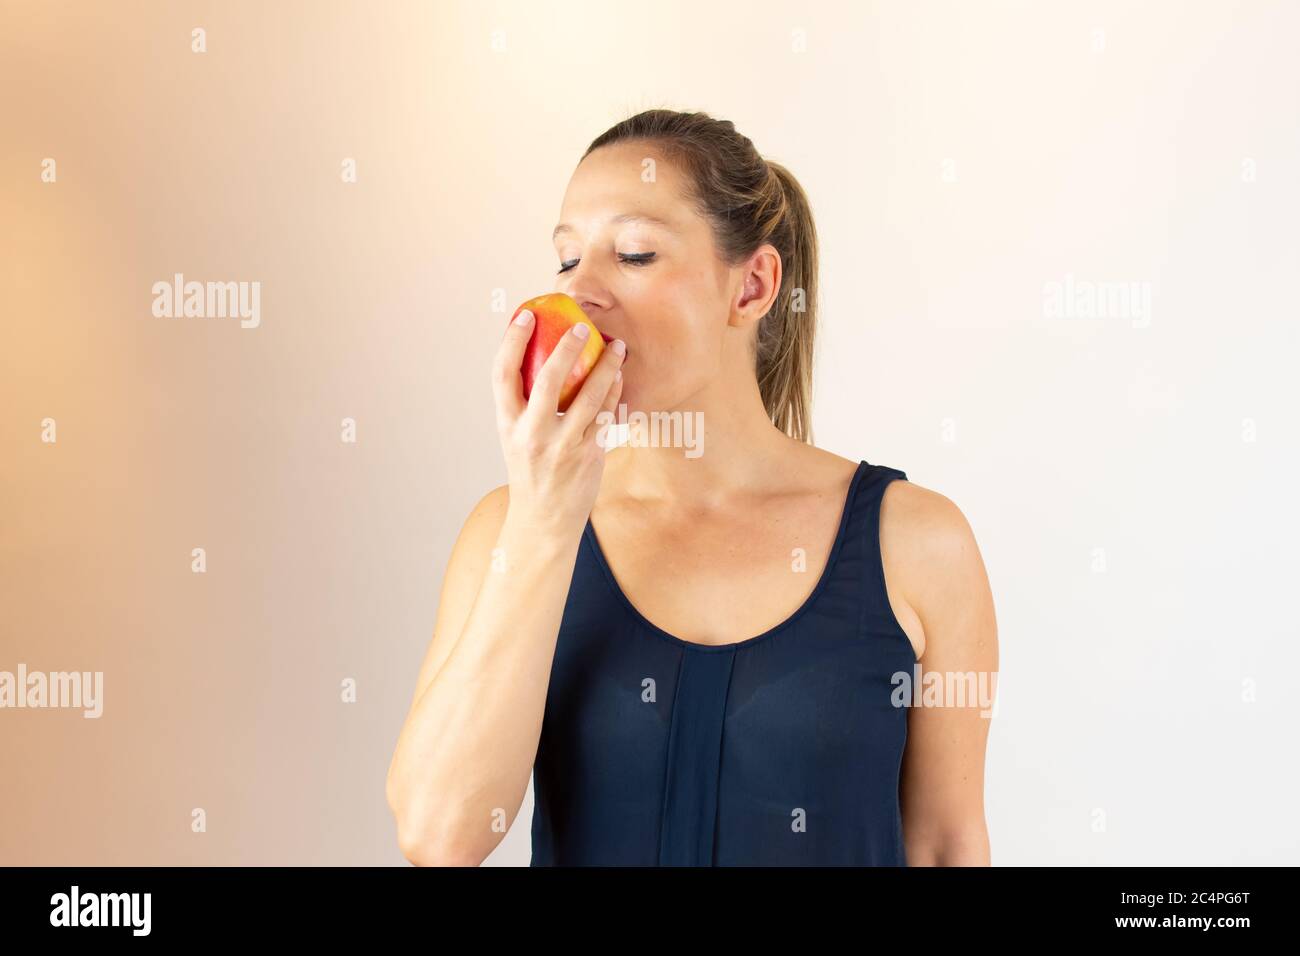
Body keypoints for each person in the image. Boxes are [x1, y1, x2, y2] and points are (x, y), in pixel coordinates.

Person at [387, 109, 998, 866]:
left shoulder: (917, 542)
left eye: (635, 254)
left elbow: (944, 845)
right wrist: (544, 522)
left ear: (752, 287)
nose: (584, 292)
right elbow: (438, 835)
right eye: (567, 260)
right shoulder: (510, 531)